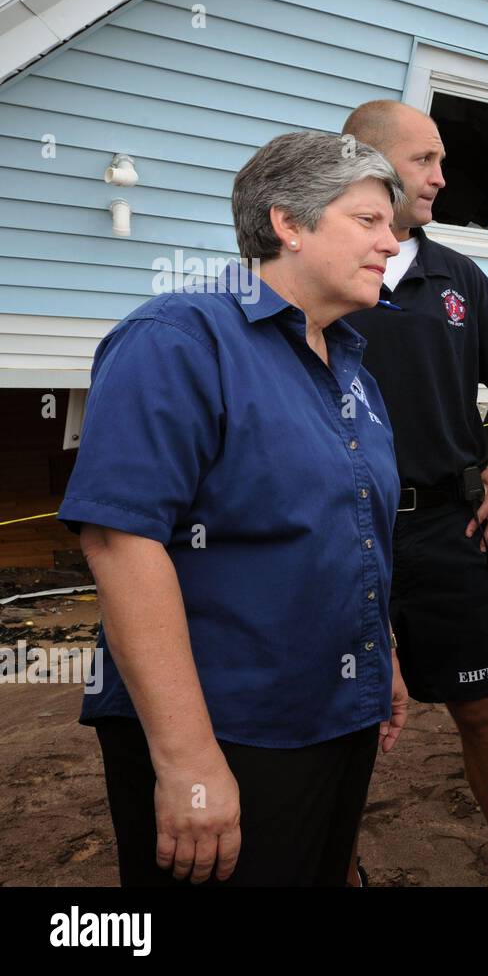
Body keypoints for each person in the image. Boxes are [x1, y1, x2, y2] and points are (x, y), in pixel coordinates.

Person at [58, 131, 409, 886]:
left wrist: (380, 654)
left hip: (335, 714)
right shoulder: (178, 339)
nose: (393, 242)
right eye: (370, 221)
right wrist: (187, 760)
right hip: (230, 726)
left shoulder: (351, 365)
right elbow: (120, 545)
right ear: (289, 223)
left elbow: (348, 524)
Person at [342, 100, 488, 888]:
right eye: (425, 159)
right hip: (336, 534)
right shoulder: (321, 272)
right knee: (340, 713)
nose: (441, 176)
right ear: (368, 162)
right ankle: (334, 857)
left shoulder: (458, 275)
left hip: (443, 533)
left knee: (481, 705)